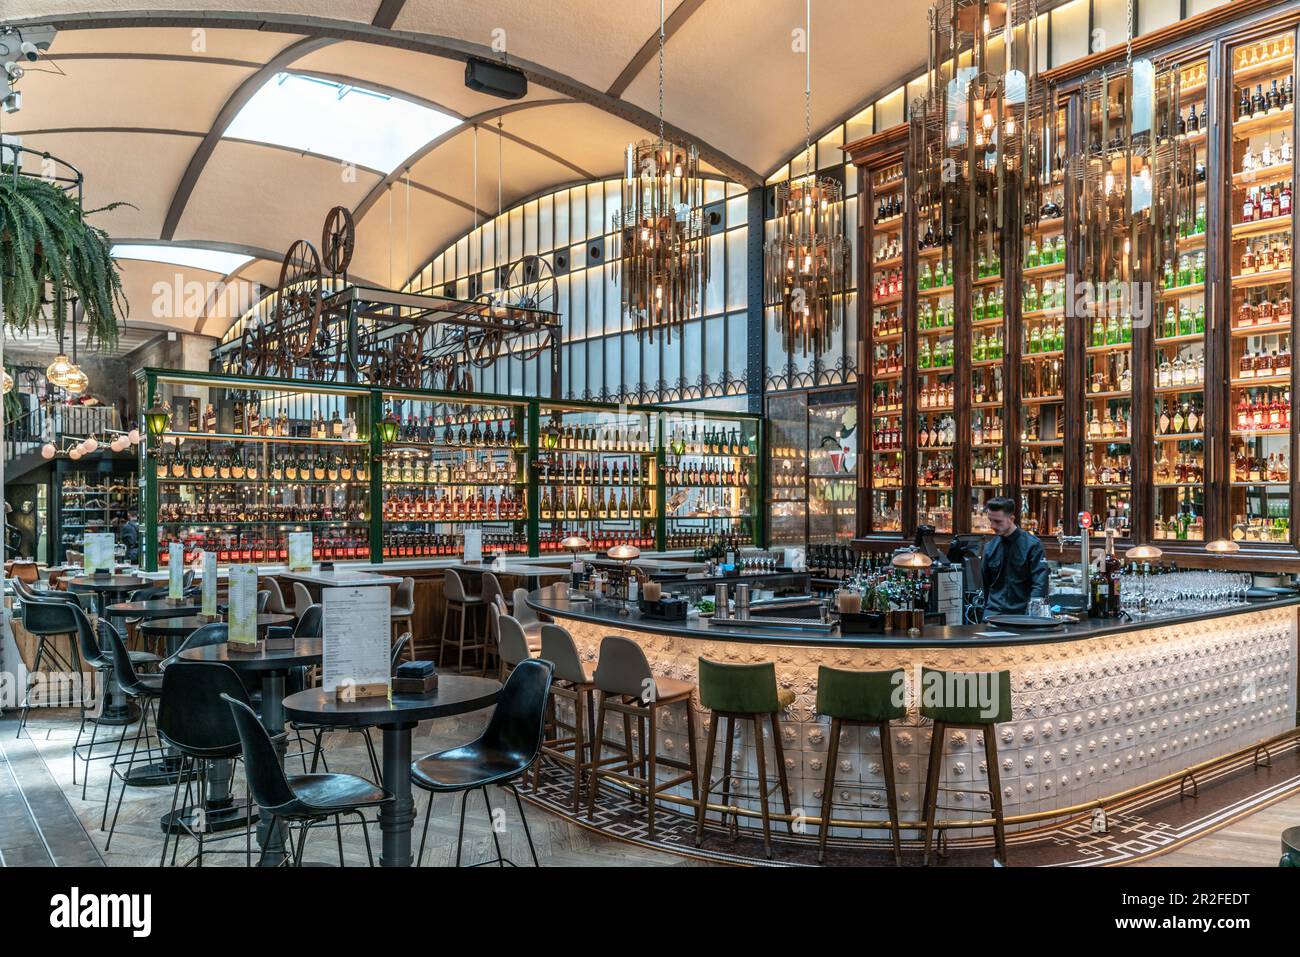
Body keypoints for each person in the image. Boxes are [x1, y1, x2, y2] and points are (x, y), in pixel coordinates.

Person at [979, 497, 1049, 617]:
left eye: (998, 521)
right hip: (993, 614)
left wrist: (1033, 615)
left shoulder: (1032, 545)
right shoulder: (990, 547)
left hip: (1022, 615)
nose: (993, 525)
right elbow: (986, 584)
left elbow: (1040, 584)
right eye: (991, 520)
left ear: (1011, 519)